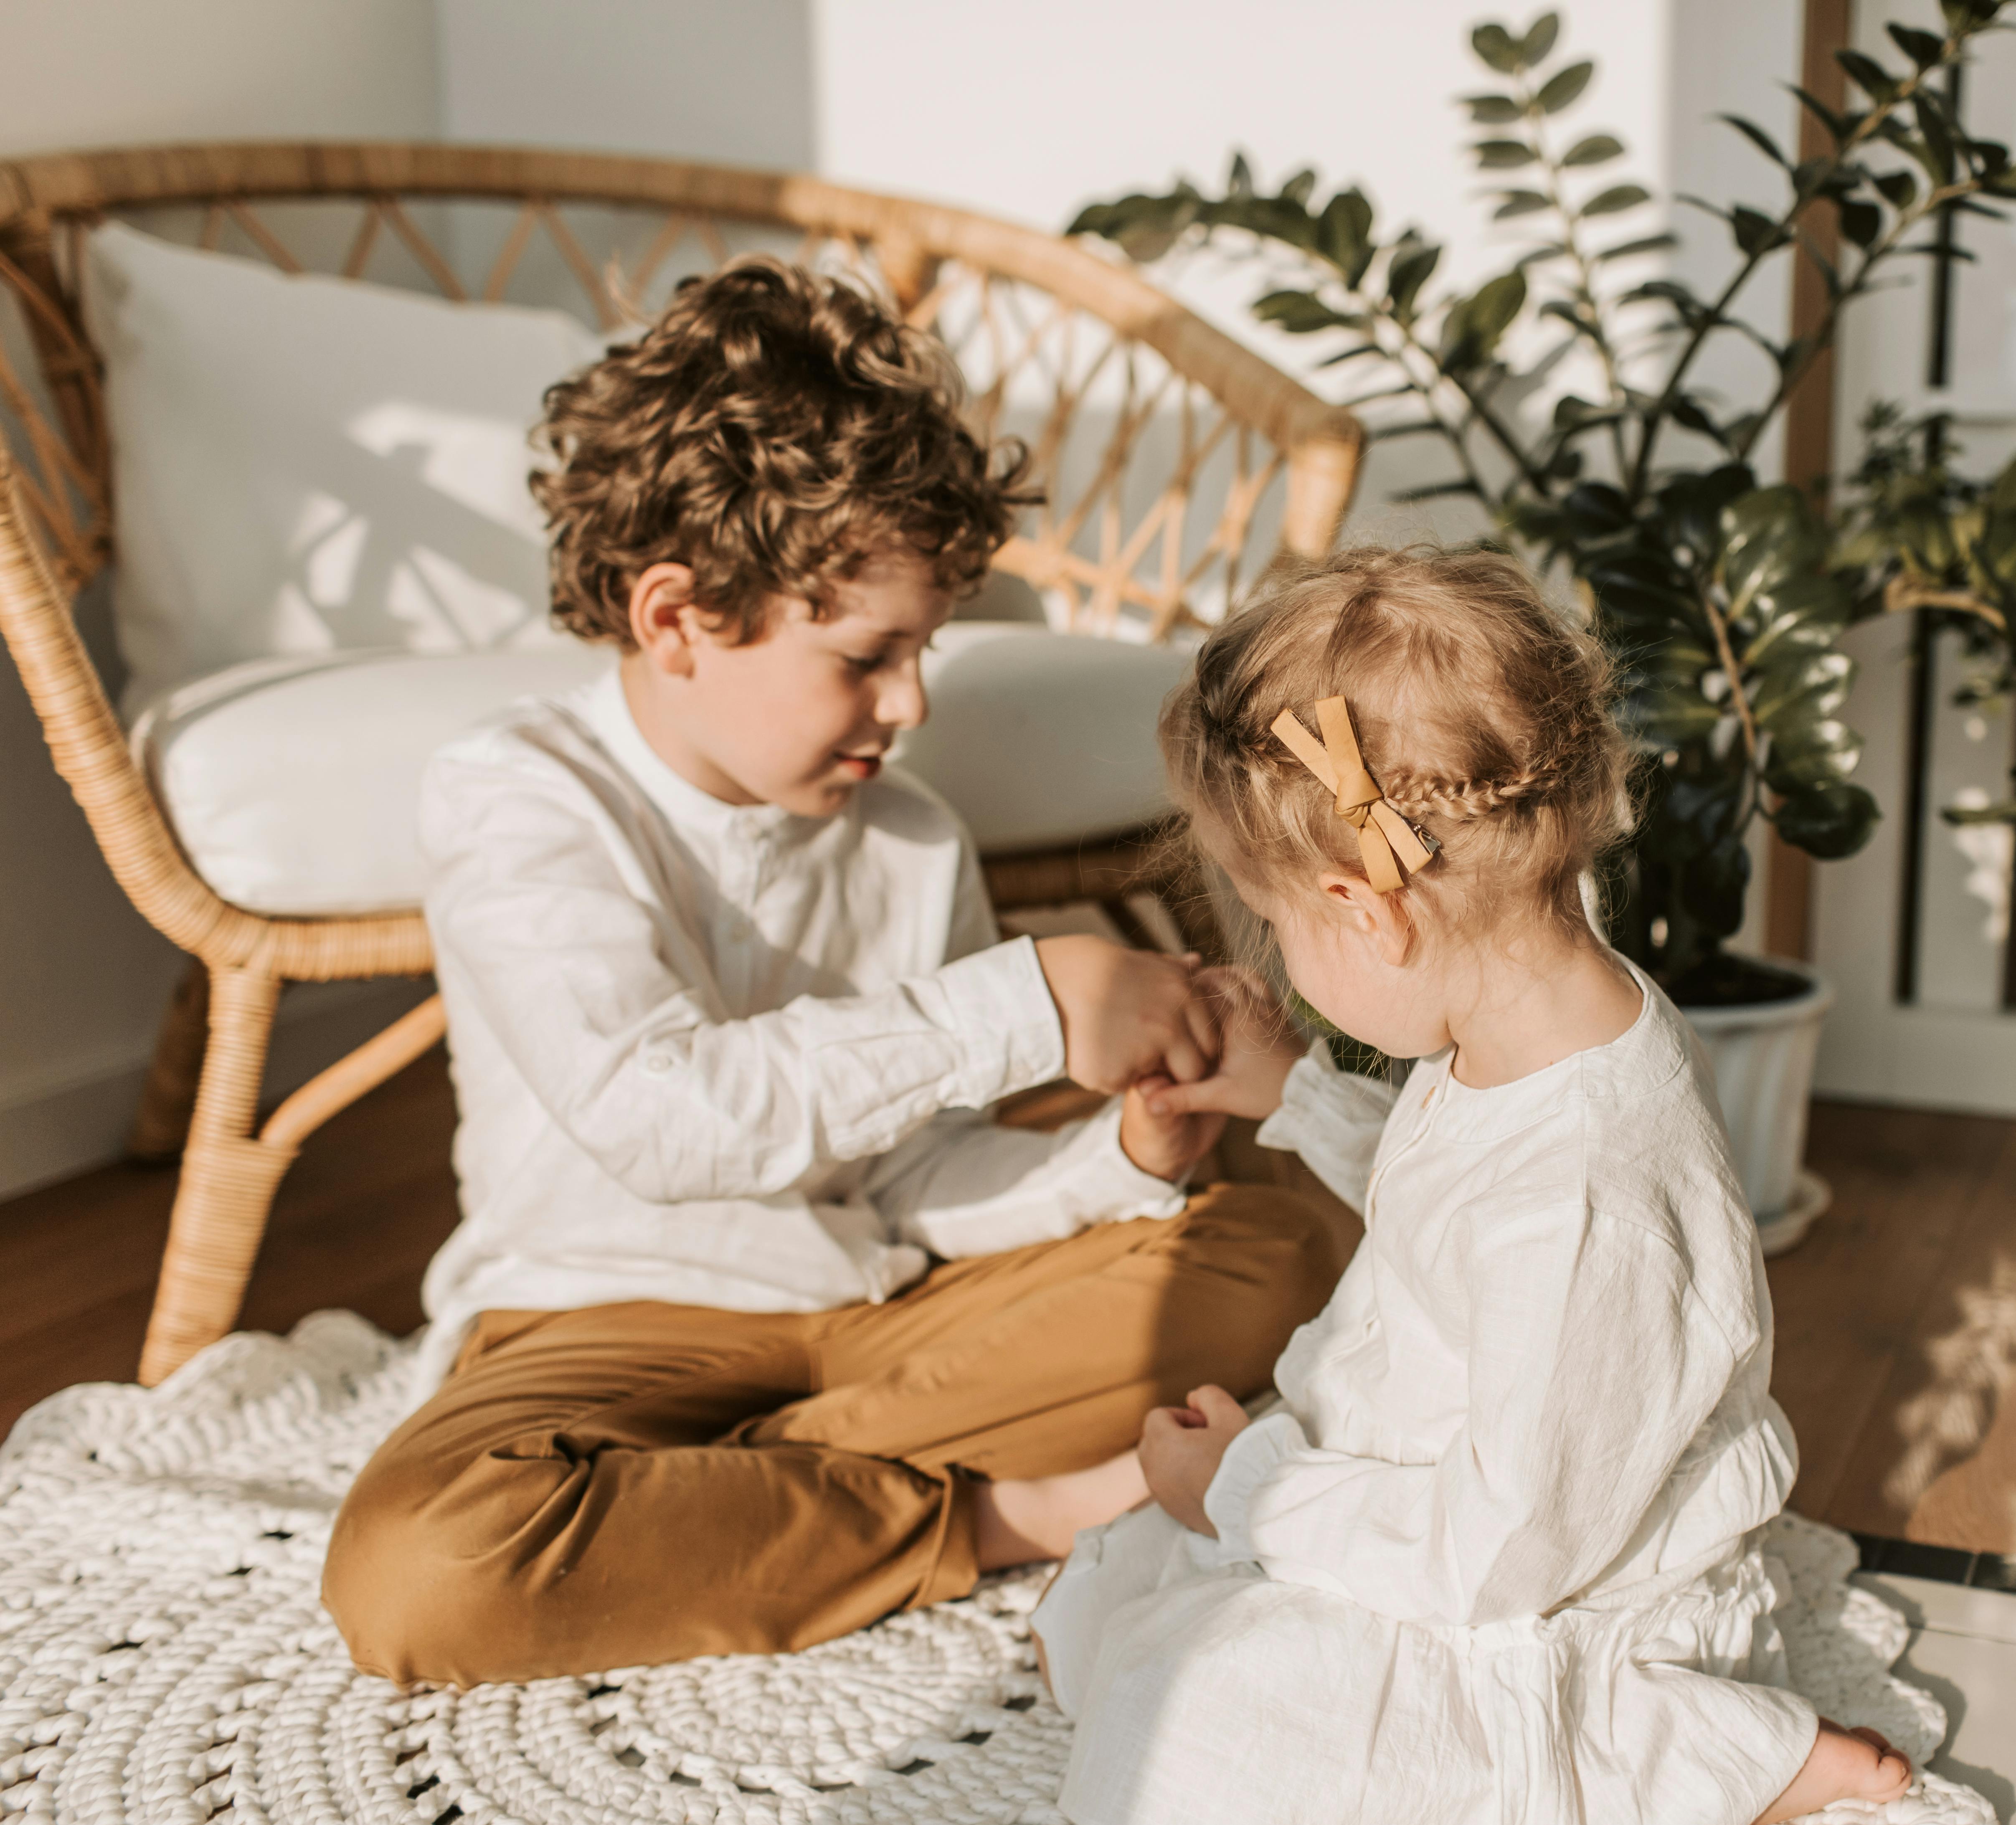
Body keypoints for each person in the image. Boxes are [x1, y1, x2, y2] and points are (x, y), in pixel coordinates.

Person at [318, 258, 1339, 1688]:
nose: (911, 705)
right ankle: (1003, 1513)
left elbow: (918, 1179)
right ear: (676, 617)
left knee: (1284, 1253)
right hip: (603, 1320)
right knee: (424, 1563)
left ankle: (696, 1502)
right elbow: (663, 1118)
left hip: (885, 1317)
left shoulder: (909, 837)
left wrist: (1129, 1157)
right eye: (869, 656)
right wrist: (1030, 999)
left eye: (923, 651)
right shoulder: (517, 799)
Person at [1030, 547, 1912, 1825]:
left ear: (1361, 911)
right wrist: (1297, 1094)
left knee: (1204, 1719)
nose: (1283, 960)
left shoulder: (1587, 1201)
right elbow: (1449, 1200)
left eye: (1277, 927)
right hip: (1468, 1499)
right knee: (1131, 1596)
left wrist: (1250, 1491)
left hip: (1540, 1580)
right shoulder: (1546, 1008)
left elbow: (1498, 1558)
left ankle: (1695, 1746)